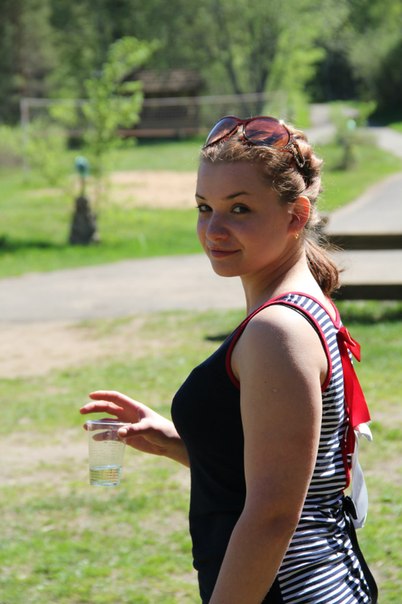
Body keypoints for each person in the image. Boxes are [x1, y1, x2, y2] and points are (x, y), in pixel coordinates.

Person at [80, 115, 378, 603]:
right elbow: (285, 473)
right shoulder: (300, 306)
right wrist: (179, 443)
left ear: (296, 215)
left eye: (239, 209)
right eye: (204, 207)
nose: (213, 229)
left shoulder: (277, 330)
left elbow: (273, 515)